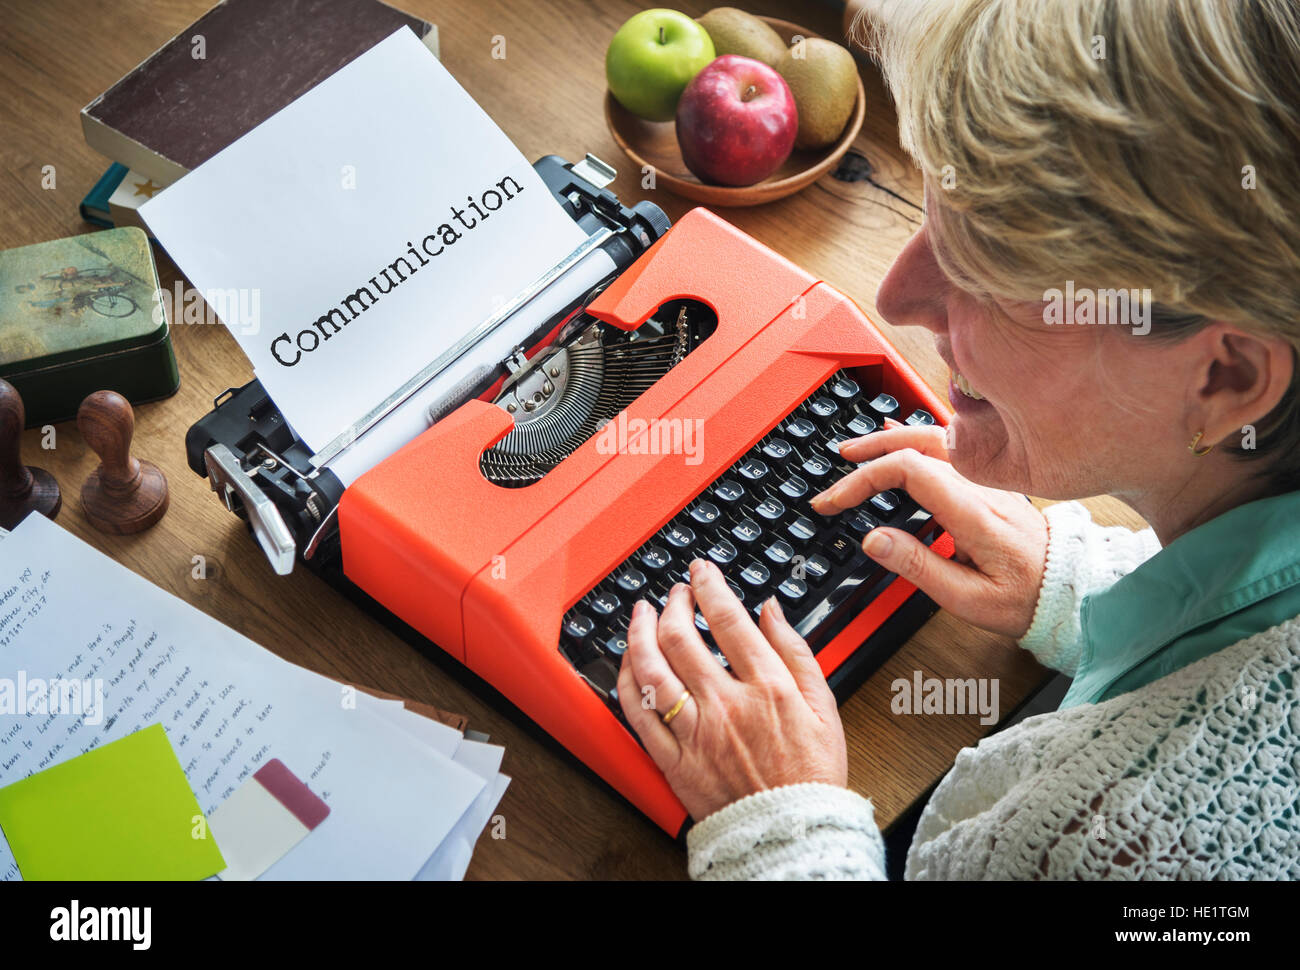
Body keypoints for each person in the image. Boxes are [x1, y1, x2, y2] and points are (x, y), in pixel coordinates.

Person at [616, 0, 1300, 879]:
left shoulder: (1122, 845)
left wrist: (780, 834)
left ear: (1228, 378)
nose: (897, 297)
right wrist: (1089, 596)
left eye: (986, 268)